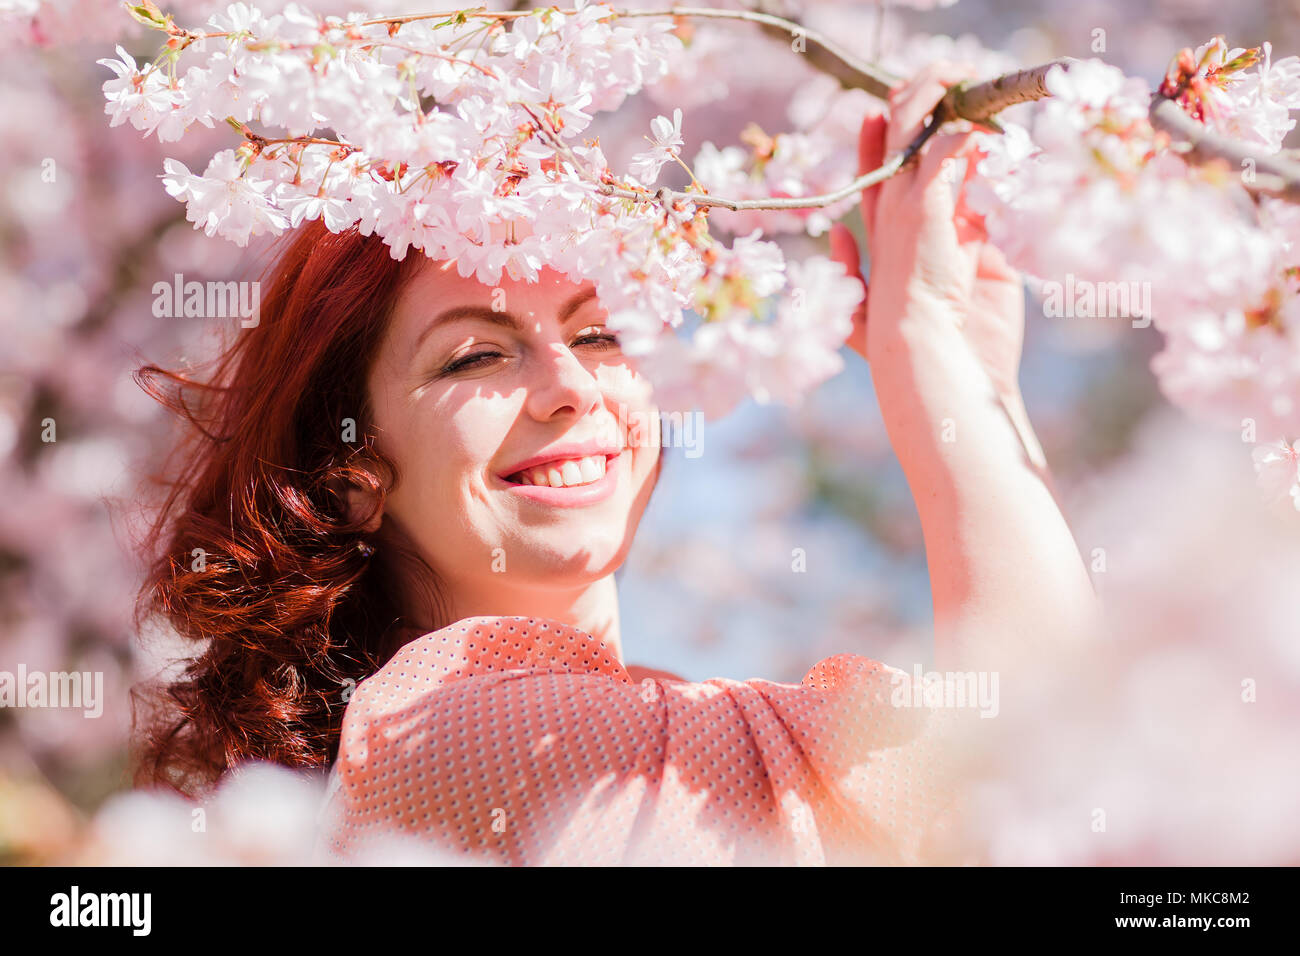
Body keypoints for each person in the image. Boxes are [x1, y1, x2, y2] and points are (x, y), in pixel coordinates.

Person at [133, 64, 1095, 865]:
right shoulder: (447, 736)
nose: (569, 387)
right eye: (475, 355)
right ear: (349, 475)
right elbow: (1046, 770)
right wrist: (930, 360)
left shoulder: (648, 721)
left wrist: (979, 386)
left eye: (599, 334)